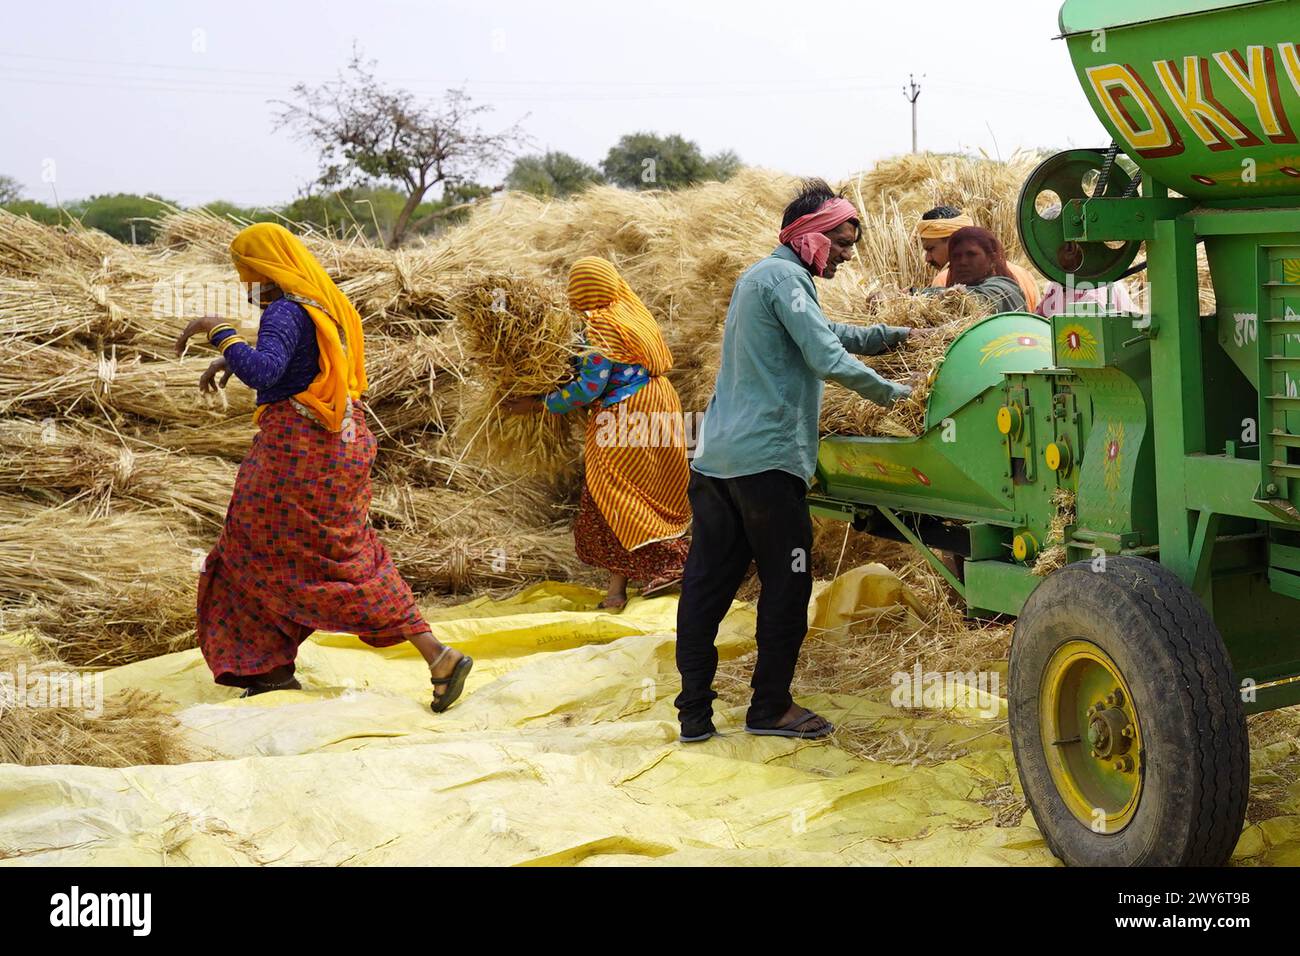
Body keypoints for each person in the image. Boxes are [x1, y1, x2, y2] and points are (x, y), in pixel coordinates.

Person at [174, 222, 472, 709]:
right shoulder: (325, 307)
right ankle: (272, 670)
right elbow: (303, 370)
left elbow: (266, 370)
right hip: (340, 445)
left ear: (264, 269)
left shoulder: (284, 311)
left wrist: (219, 332)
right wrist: (234, 360)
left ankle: (430, 654)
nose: (244, 283)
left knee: (257, 552)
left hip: (296, 455)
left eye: (245, 271)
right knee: (327, 553)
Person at [673, 179, 926, 743]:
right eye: (840, 240)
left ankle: (693, 715)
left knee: (706, 586)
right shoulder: (786, 278)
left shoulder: (762, 277)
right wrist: (898, 397)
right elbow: (824, 354)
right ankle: (770, 708)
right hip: (766, 464)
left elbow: (824, 332)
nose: (846, 253)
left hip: (717, 461)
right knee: (787, 585)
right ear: (808, 235)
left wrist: (890, 336)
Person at [503, 257, 691, 611]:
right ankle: (616, 591)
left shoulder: (601, 326)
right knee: (644, 489)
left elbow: (590, 386)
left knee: (615, 495)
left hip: (626, 414)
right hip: (660, 404)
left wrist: (539, 403)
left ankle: (673, 562)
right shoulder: (633, 314)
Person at [918, 206, 1041, 312]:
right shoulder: (1025, 274)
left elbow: (961, 297)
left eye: (931, 249)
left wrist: (915, 294)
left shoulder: (945, 279)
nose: (927, 258)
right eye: (956, 255)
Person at [923, 225, 1028, 313]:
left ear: (991, 258)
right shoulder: (965, 288)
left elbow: (976, 298)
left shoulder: (1003, 288)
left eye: (971, 254)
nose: (962, 262)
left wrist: (918, 296)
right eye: (956, 256)